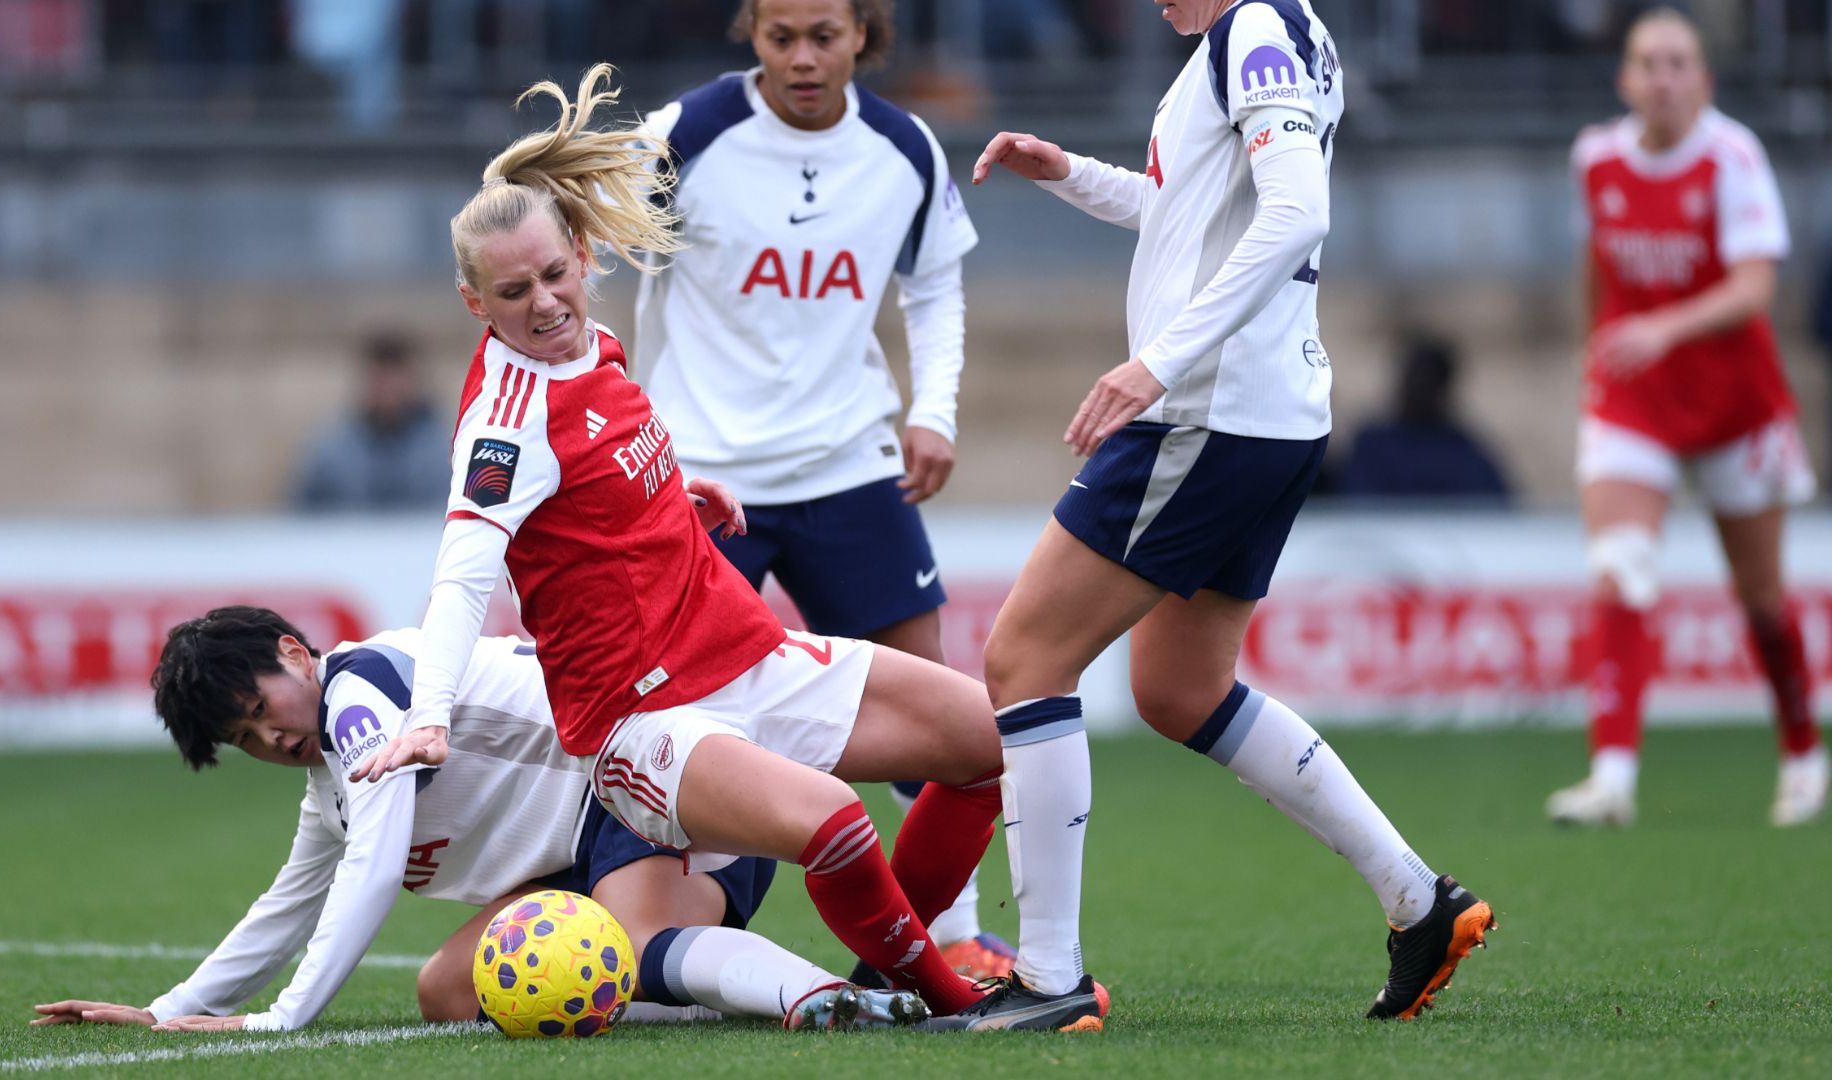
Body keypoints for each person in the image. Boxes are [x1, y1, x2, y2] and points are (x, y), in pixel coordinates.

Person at [347, 65, 1028, 1024]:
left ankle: (886, 975)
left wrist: (673, 483)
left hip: (742, 651)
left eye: (553, 274)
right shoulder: (503, 418)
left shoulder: (595, 345)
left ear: (581, 255)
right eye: (513, 292)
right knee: (833, 825)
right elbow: (464, 571)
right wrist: (429, 714)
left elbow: (604, 456)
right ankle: (953, 1000)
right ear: (474, 305)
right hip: (642, 720)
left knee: (987, 743)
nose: (543, 302)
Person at [932, 0, 1495, 1031]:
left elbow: (1296, 213)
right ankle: (1419, 902)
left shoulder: (1255, 30)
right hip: (1266, 414)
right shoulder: (1266, 39)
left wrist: (1159, 363)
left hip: (1208, 411)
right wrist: (1074, 175)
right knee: (1182, 688)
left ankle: (1049, 979)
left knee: (1022, 661)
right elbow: (1194, 212)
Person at [30, 606, 927, 1033]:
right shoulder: (333, 782)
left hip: (660, 787)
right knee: (448, 994)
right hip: (592, 852)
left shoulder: (360, 693)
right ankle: (703, 996)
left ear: (294, 654)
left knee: (637, 935)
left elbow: (376, 868)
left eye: (257, 707)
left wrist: (281, 1021)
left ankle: (830, 996)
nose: (266, 735)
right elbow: (287, 906)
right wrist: (167, 1012)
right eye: (242, 738)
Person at [629, 0, 1008, 976]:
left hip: (849, 466)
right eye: (780, 36)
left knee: (939, 720)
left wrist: (938, 413)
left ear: (863, 37)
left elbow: (934, 288)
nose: (802, 58)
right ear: (751, 32)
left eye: (823, 37)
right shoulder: (685, 135)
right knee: (666, 713)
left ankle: (949, 935)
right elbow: (587, 266)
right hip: (704, 476)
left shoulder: (902, 147)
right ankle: (635, 920)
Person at [1546, 8, 1825, 828]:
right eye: (1648, 63)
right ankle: (1612, 778)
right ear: (1624, 78)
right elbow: (1594, 262)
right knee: (1622, 568)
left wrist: (1658, 328)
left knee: (1763, 600)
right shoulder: (1595, 158)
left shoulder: (1732, 157)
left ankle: (1805, 755)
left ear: (1702, 79)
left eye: (1679, 63)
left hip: (1735, 405)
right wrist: (1591, 354)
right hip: (1634, 401)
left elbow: (1753, 289)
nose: (1663, 78)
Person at [1334, 337, 1513, 503]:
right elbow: (1355, 506)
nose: (1417, 390)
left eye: (1426, 382)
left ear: (1443, 389)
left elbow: (1494, 512)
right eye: (1413, 379)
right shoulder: (1373, 444)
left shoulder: (1462, 451)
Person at [290, 334, 452, 512]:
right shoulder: (332, 453)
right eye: (381, 379)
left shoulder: (448, 451)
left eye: (397, 378)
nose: (389, 389)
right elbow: (300, 518)